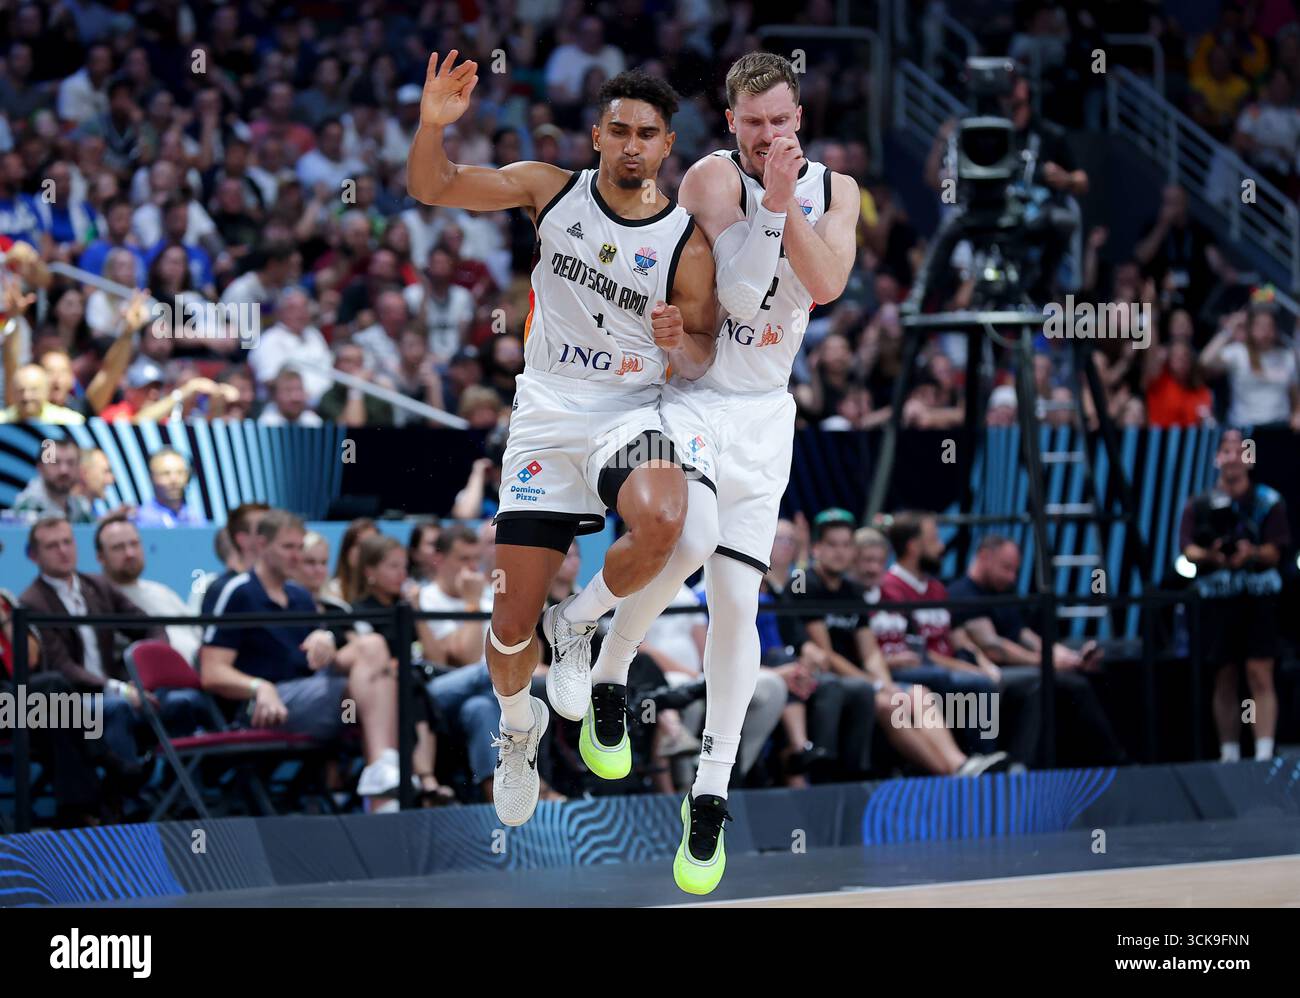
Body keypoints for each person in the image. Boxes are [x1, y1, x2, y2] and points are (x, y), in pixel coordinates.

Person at [407, 53, 717, 828]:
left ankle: (577, 622)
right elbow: (432, 186)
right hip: (546, 415)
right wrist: (431, 126)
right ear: (597, 136)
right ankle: (519, 733)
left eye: (647, 133)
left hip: (627, 411)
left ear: (667, 145)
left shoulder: (686, 240)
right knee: (510, 626)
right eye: (619, 130)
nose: (632, 144)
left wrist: (681, 343)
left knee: (667, 519)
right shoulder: (551, 189)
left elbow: (706, 350)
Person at [576, 52, 859, 893]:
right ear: (730, 123)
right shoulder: (704, 178)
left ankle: (709, 792)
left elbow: (830, 283)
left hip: (768, 417)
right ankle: (602, 653)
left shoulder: (837, 190)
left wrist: (784, 205)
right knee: (687, 538)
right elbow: (737, 298)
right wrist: (771, 207)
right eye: (753, 123)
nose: (769, 135)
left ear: (797, 116)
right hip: (696, 397)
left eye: (781, 120)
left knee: (740, 604)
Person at [199, 511, 405, 811]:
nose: (296, 556)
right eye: (287, 547)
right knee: (380, 682)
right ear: (261, 544)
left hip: (311, 691)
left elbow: (316, 663)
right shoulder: (236, 591)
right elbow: (211, 671)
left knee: (373, 646)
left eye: (299, 547)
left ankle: (382, 771)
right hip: (262, 705)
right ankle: (383, 788)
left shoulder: (299, 596)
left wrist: (326, 642)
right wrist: (260, 687)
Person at [946, 535, 1128, 767]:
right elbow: (994, 648)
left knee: (1087, 669)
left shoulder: (1004, 593)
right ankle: (1027, 763)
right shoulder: (962, 594)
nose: (1011, 577)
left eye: (1015, 570)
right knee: (1051, 683)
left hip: (1016, 666)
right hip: (988, 670)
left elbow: (1024, 635)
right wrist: (1047, 663)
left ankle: (1098, 760)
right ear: (983, 557)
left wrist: (1066, 657)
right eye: (1006, 568)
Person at [1180, 429, 1290, 762]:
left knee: (1259, 672)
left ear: (1249, 458)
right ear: (1217, 459)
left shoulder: (1268, 501)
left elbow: (1277, 550)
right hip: (1218, 600)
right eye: (1226, 452)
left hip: (1258, 599)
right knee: (1225, 673)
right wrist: (1213, 555)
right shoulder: (1198, 504)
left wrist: (1252, 554)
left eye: (1240, 451)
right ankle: (1229, 754)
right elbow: (1187, 551)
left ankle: (1263, 752)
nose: (1233, 458)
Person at [10, 437, 95, 522]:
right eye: (55, 462)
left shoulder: (80, 508)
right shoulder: (24, 510)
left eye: (71, 462)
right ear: (41, 467)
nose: (64, 470)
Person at [133, 448, 207, 527]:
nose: (174, 480)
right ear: (151, 478)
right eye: (166, 473)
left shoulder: (196, 519)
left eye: (180, 472)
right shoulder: (140, 520)